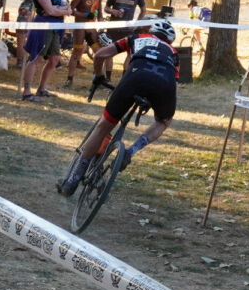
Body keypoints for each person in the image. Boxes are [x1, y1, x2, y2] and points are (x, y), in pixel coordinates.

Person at [58, 17, 179, 196]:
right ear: (169, 41)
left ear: (151, 32)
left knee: (103, 127)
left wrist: (99, 76)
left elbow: (100, 55)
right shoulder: (174, 53)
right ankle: (131, 150)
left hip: (134, 79)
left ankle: (73, 180)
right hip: (164, 85)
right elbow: (173, 82)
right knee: (163, 122)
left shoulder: (136, 38)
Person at [20, 0, 72, 102]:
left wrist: (60, 10)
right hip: (43, 26)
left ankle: (41, 89)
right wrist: (60, 10)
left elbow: (68, 9)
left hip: (57, 27)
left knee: (54, 59)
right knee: (36, 58)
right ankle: (26, 91)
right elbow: (49, 11)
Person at [65, 0, 105, 90]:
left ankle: (97, 79)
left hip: (92, 28)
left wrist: (102, 28)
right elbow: (70, 10)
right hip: (80, 27)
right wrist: (84, 15)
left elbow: (100, 14)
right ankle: (69, 80)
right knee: (76, 53)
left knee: (99, 53)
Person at [14, 0, 40, 67]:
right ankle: (22, 60)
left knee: (20, 39)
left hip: (25, 15)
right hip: (28, 14)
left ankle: (20, 61)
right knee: (23, 39)